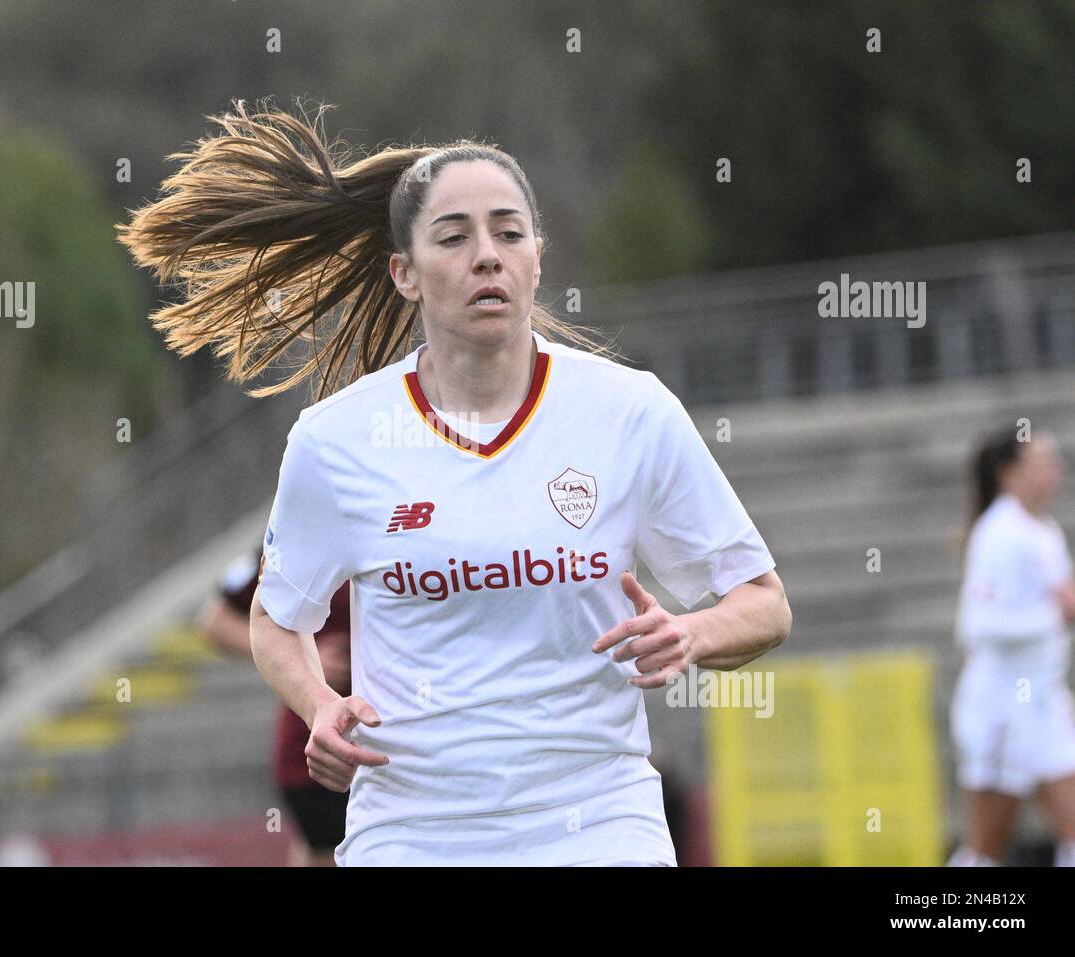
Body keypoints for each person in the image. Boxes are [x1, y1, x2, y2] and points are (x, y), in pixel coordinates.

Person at [118, 98, 792, 866]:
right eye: (454, 236)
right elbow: (276, 620)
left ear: (538, 254)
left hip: (598, 822)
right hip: (413, 834)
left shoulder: (629, 411)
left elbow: (764, 603)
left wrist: (690, 632)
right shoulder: (337, 441)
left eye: (509, 232)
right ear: (404, 272)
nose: (487, 255)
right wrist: (321, 707)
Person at [947, 428, 1075, 867]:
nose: (1053, 473)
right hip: (1001, 707)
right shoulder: (999, 533)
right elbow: (978, 626)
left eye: (1055, 462)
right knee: (987, 849)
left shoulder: (1046, 532)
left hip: (1044, 704)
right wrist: (1055, 615)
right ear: (1009, 474)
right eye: (1042, 463)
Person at [197, 544, 353, 866]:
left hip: (394, 736)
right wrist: (308, 665)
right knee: (330, 848)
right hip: (317, 744)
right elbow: (215, 620)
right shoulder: (301, 522)